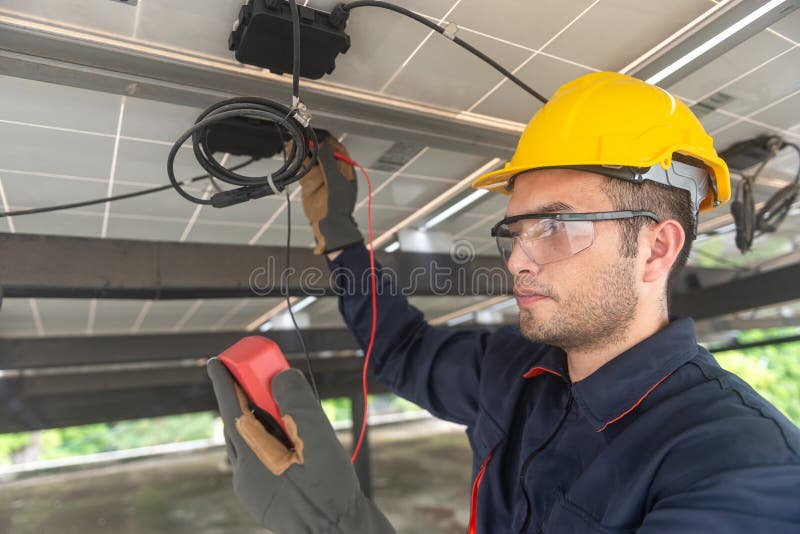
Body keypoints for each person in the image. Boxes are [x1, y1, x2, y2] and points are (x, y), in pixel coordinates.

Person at [208, 72, 800, 533]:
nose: (517, 260)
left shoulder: (744, 470)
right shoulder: (514, 371)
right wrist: (339, 236)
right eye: (517, 231)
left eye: (557, 227)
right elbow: (402, 351)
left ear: (655, 249)